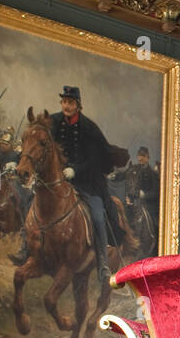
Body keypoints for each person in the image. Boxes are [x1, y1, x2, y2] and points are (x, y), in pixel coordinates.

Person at [11, 85, 126, 280]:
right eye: (64, 101)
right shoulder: (53, 121)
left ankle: (103, 262)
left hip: (87, 181)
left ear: (78, 105)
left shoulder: (88, 127)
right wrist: (17, 160)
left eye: (70, 102)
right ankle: (26, 249)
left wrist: (75, 170)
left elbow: (95, 158)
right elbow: (35, 144)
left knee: (98, 214)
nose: (66, 105)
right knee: (31, 202)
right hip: (57, 178)